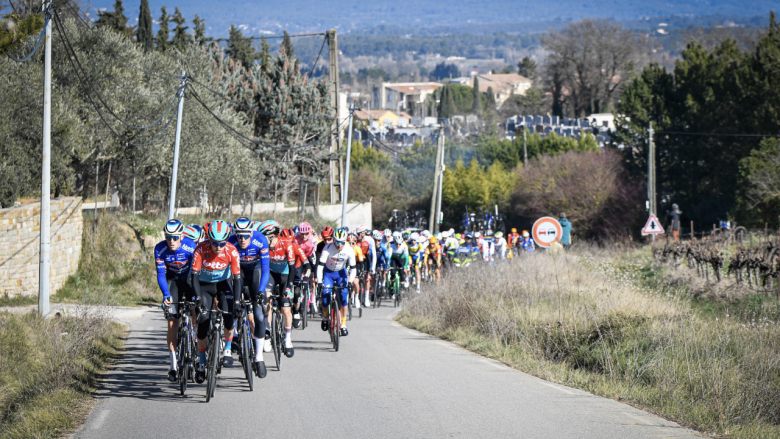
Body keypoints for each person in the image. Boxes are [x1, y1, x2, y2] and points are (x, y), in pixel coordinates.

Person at [190, 220, 242, 384]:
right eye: (214, 243)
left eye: (222, 243)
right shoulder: (200, 249)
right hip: (204, 286)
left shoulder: (232, 251)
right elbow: (194, 277)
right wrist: (198, 297)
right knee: (203, 320)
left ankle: (227, 349)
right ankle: (202, 359)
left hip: (223, 285)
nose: (218, 247)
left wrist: (238, 300)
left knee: (229, 314)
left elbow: (237, 278)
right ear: (209, 240)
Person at [154, 219, 196, 382]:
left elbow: (195, 273)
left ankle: (196, 343)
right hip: (172, 282)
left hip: (189, 280)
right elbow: (161, 274)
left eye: (175, 238)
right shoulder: (160, 248)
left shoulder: (190, 246)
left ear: (181, 237)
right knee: (172, 322)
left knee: (195, 311)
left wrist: (196, 295)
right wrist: (166, 294)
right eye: (168, 237)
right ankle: (173, 365)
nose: (171, 241)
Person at [227, 217, 270, 378]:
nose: (242, 239)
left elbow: (266, 269)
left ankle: (259, 357)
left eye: (246, 235)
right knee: (231, 305)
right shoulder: (231, 242)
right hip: (238, 274)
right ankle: (235, 336)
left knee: (259, 316)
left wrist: (260, 290)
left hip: (255, 273)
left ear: (252, 233)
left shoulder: (260, 240)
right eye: (239, 235)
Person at [259, 220, 296, 358]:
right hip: (270, 274)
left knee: (286, 309)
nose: (264, 241)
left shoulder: (286, 244)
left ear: (274, 235)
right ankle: (267, 332)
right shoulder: (264, 247)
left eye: (266, 238)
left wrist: (289, 286)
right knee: (266, 298)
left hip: (285, 275)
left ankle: (287, 339)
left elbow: (292, 268)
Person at [317, 228, 356, 336]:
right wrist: (320, 282)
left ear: (345, 241)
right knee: (325, 296)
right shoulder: (327, 248)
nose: (339, 245)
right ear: (333, 240)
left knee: (344, 297)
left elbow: (353, 268)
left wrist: (350, 281)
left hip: (341, 274)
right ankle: (325, 317)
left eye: (342, 242)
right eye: (337, 242)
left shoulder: (349, 249)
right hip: (328, 273)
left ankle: (343, 324)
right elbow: (320, 267)